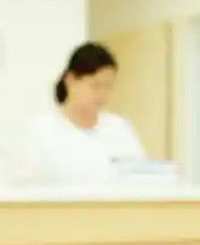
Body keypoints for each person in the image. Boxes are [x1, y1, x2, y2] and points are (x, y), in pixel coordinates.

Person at [15, 42, 146, 185]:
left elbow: (140, 178)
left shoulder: (119, 128)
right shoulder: (41, 130)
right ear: (71, 81)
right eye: (96, 85)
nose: (103, 94)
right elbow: (25, 186)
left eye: (108, 86)